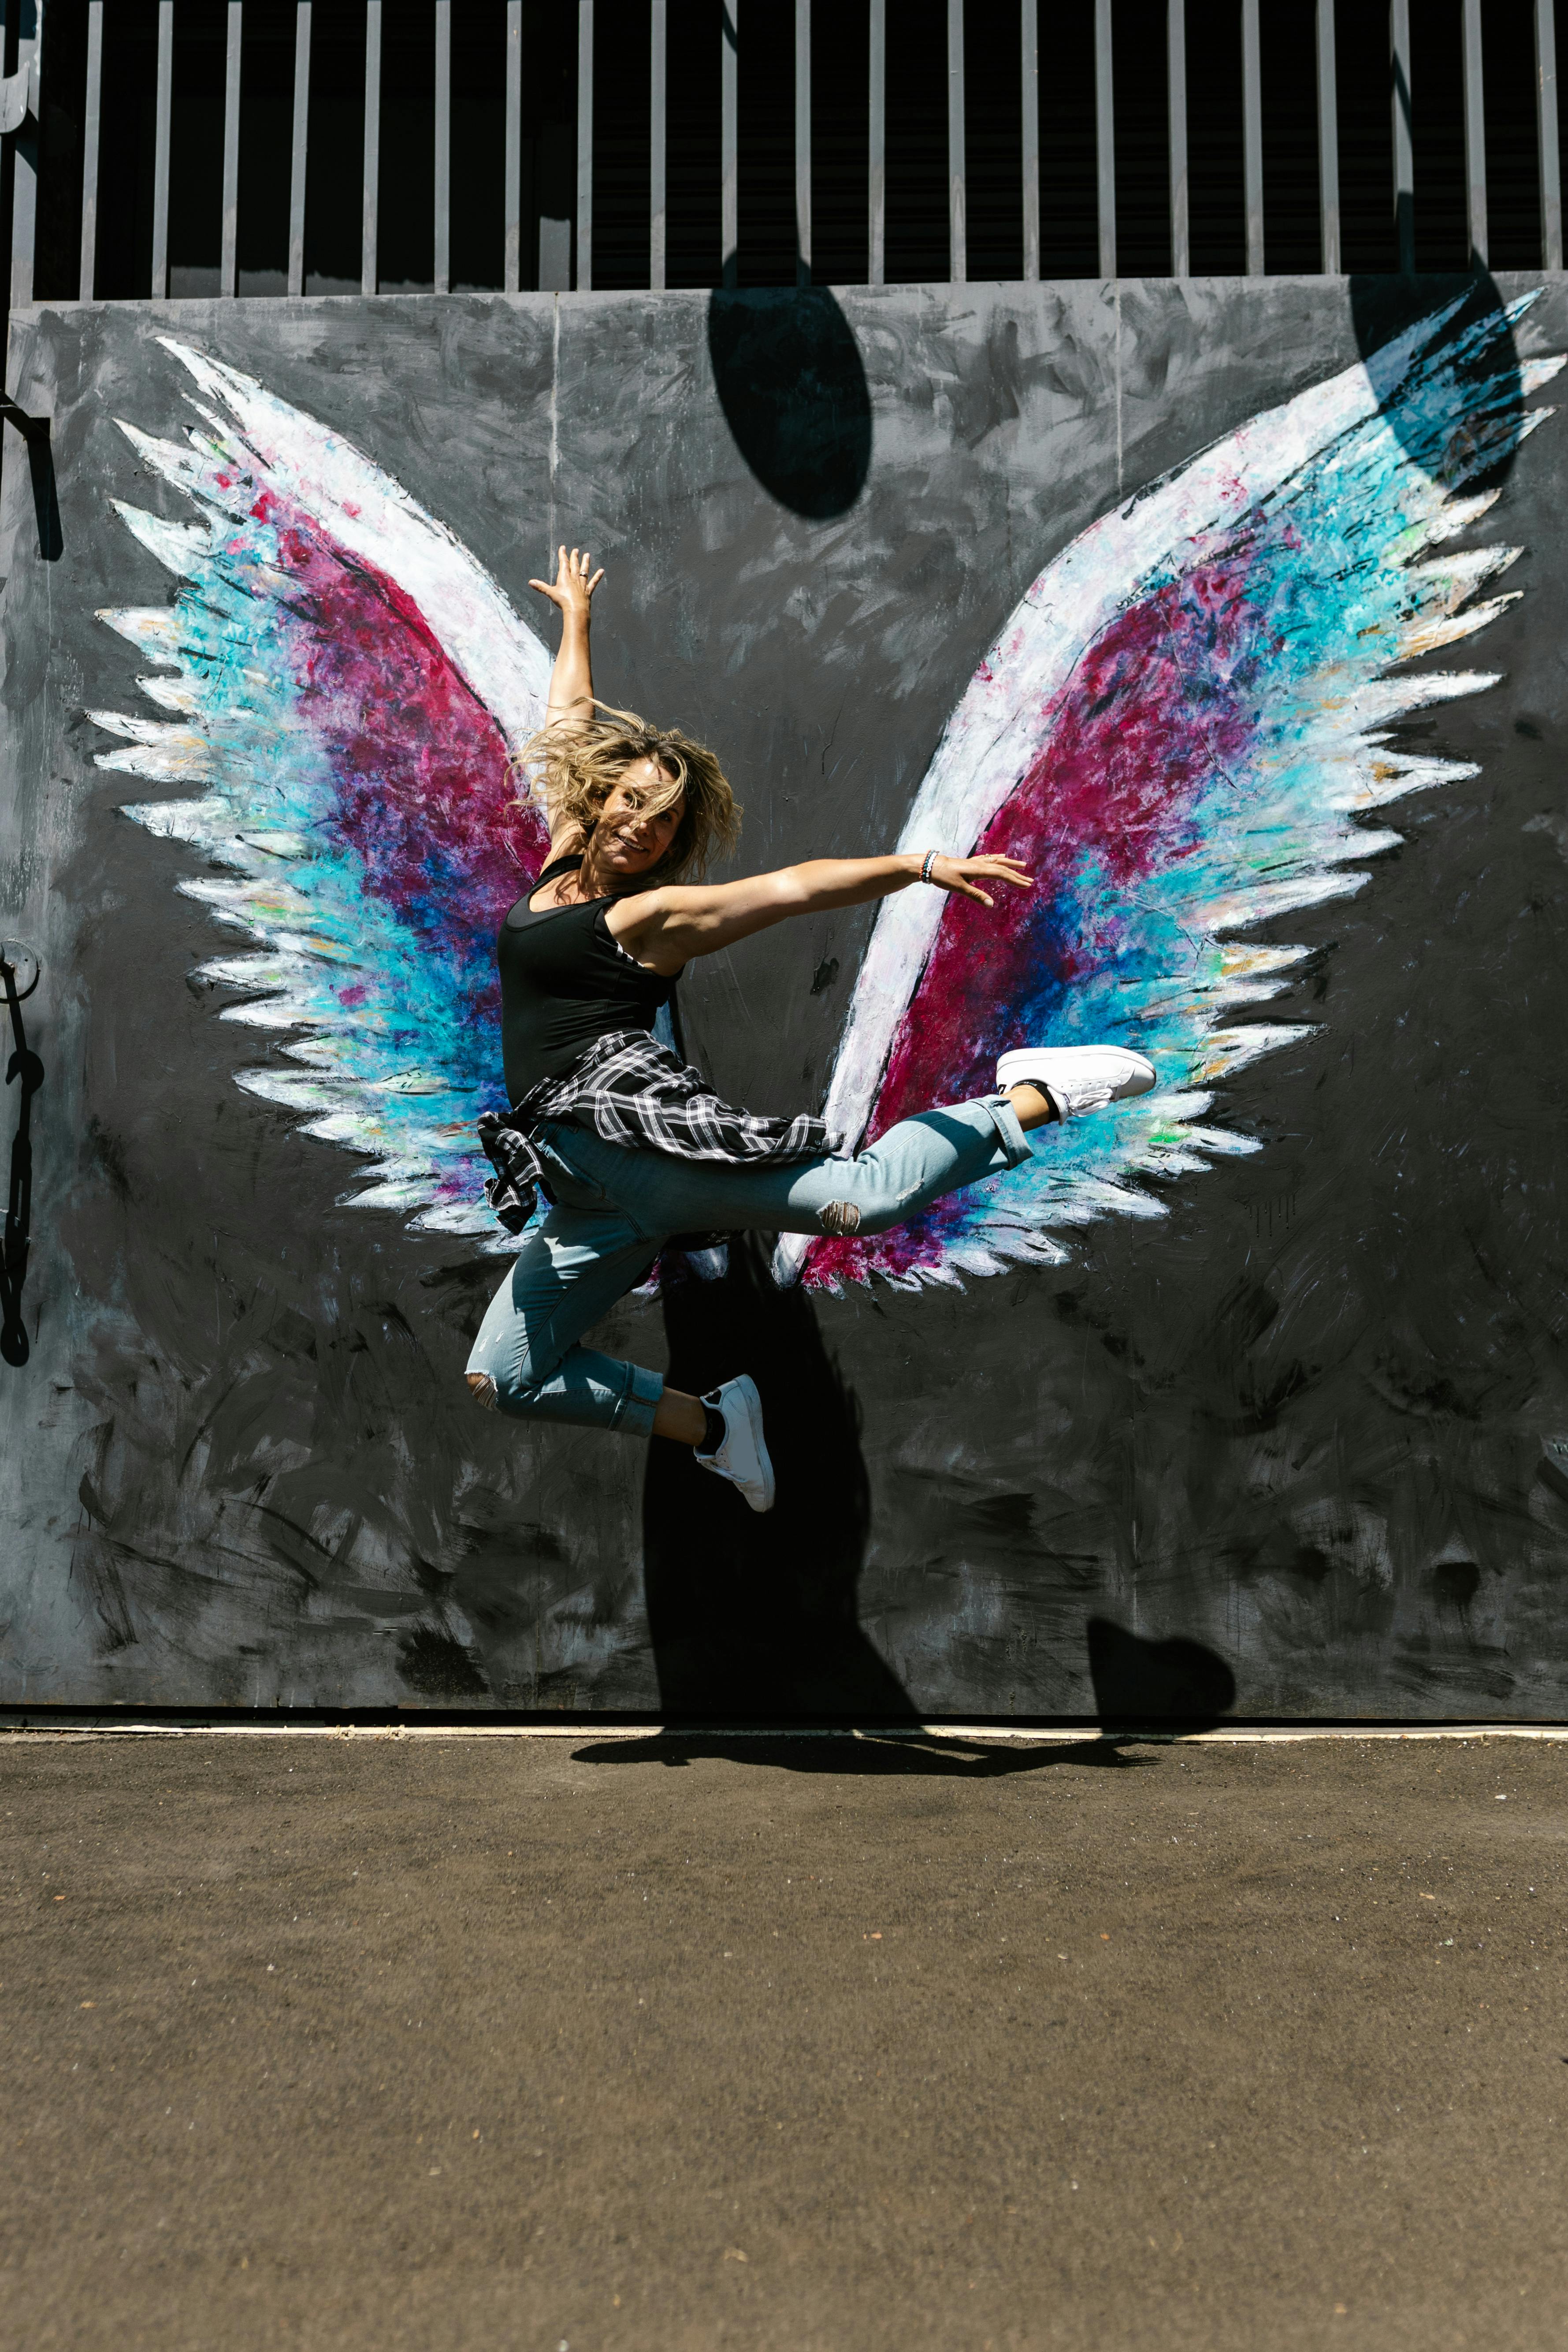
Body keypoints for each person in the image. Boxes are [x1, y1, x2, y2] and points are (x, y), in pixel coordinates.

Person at [466, 546, 1155, 1513]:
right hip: (580, 1193)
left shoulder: (652, 918)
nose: (637, 826)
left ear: (674, 841)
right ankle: (717, 1424)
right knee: (507, 1376)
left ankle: (1038, 1094)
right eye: (629, 801)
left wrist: (915, 865)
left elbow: (791, 888)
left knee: (860, 1202)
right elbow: (567, 722)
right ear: (601, 797)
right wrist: (577, 623)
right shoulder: (565, 854)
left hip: (630, 1148)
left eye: (661, 822)